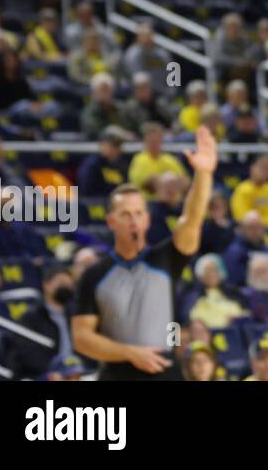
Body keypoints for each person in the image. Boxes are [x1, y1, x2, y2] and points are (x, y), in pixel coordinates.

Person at [70, 126, 216, 380]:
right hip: (116, 376)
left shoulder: (166, 259)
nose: (133, 221)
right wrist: (130, 353)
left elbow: (191, 219)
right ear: (111, 221)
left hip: (165, 373)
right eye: (125, 214)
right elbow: (82, 339)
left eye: (138, 213)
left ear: (147, 220)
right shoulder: (94, 275)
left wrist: (203, 173)